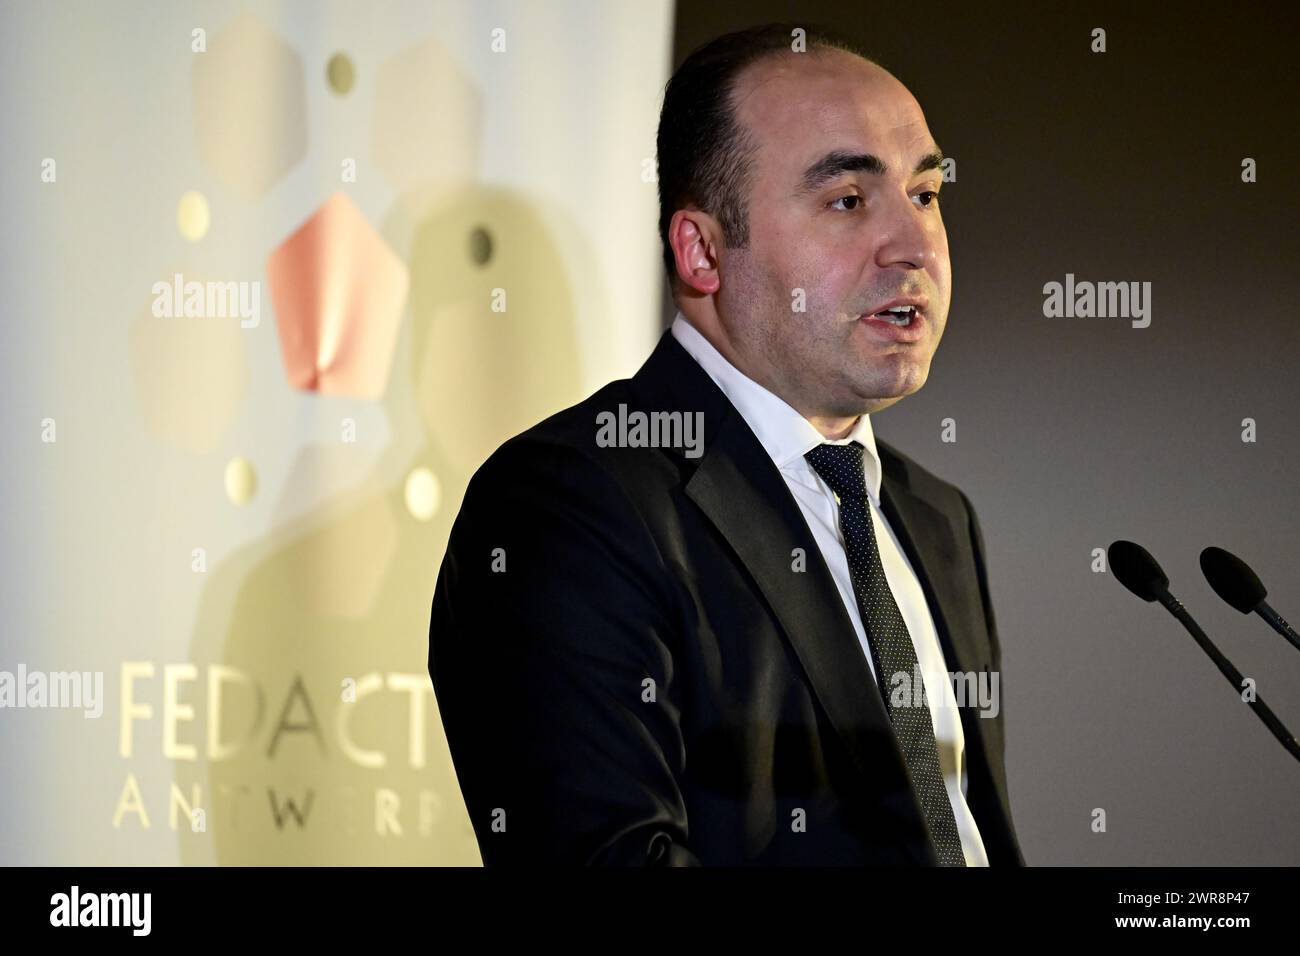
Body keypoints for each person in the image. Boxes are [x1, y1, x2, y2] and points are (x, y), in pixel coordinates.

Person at [428, 21, 1024, 866]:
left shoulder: (936, 519)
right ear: (702, 251)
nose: (916, 247)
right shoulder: (566, 507)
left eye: (925, 195)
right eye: (848, 201)